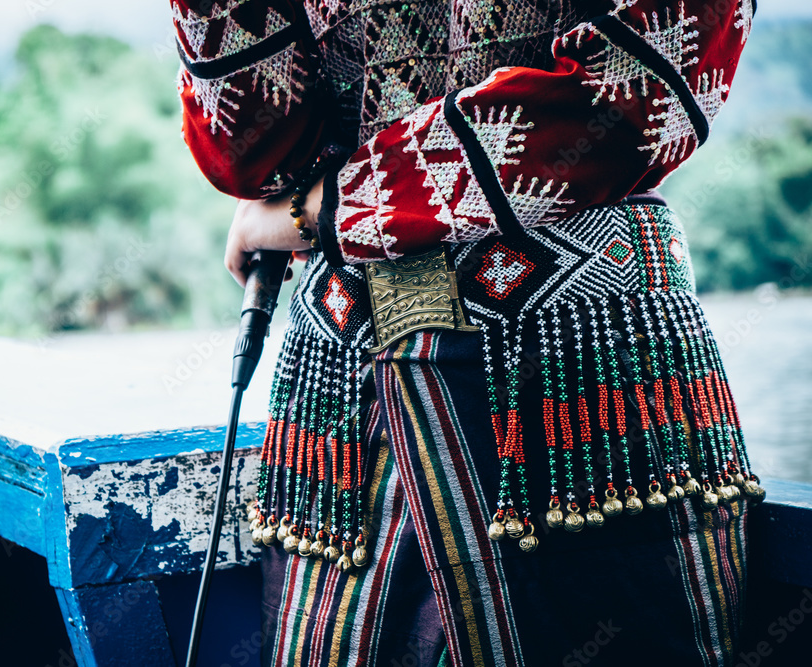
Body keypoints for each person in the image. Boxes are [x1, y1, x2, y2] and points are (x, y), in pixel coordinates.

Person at [170, 1, 762, 664]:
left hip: (572, 375)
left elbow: (641, 88)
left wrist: (334, 207)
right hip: (347, 395)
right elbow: (254, 149)